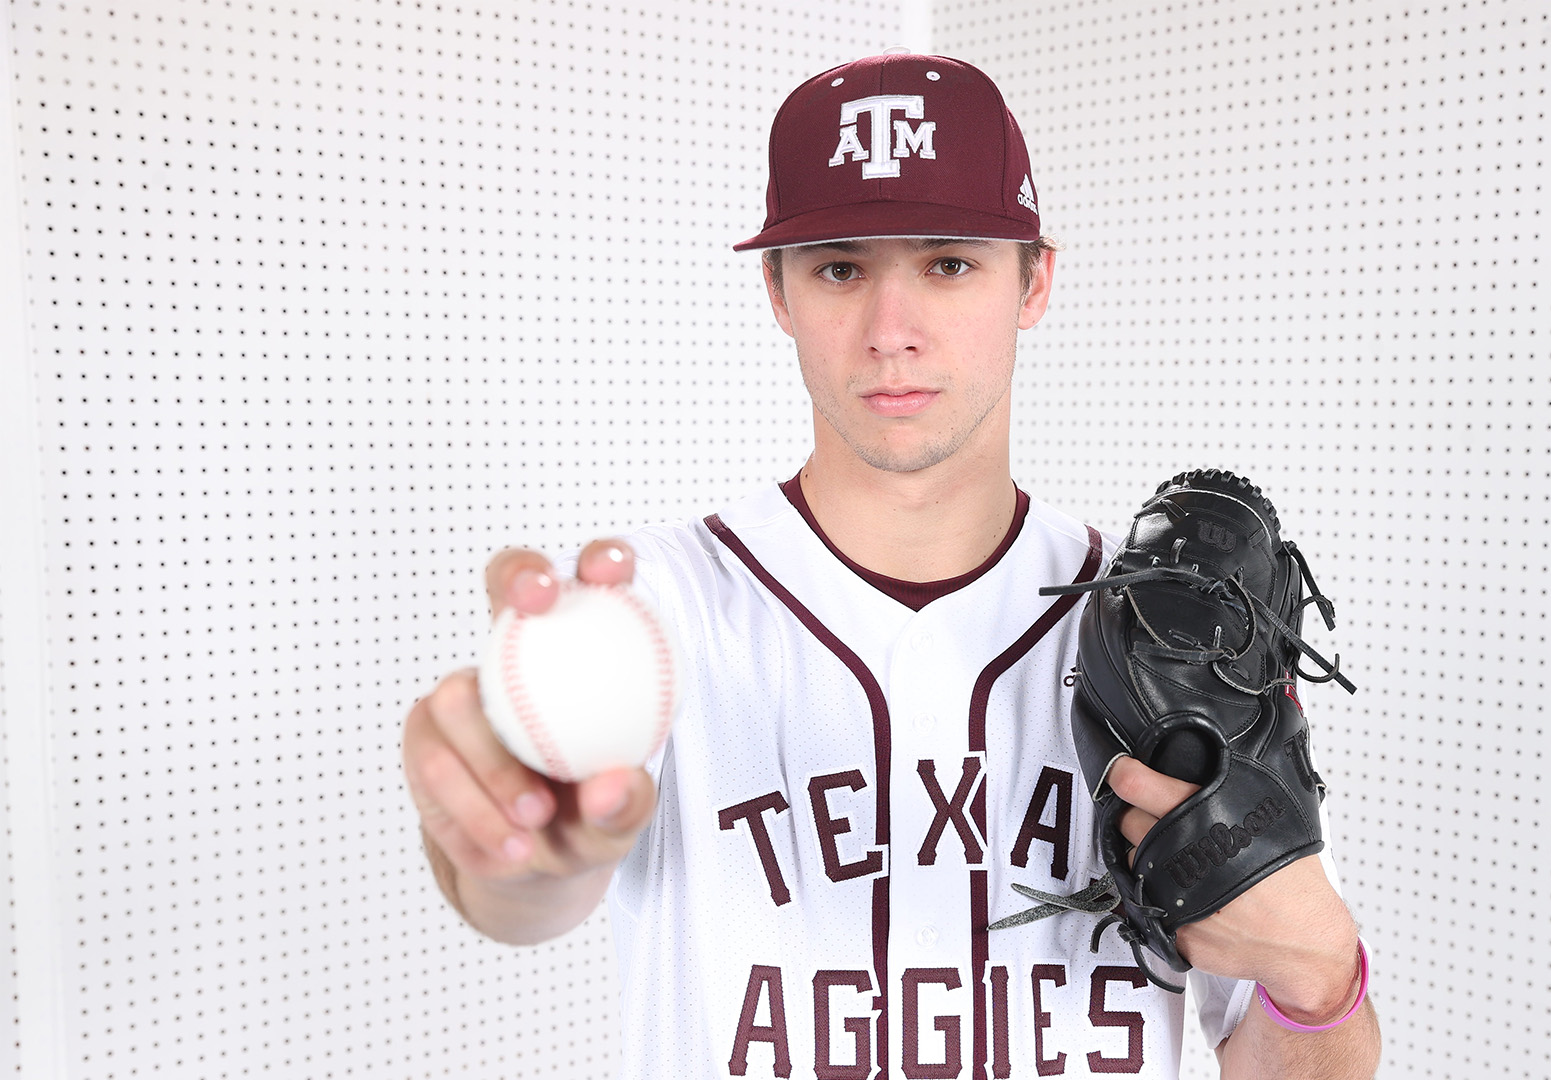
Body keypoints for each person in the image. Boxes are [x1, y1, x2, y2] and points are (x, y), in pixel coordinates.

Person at [401, 52, 1381, 1078]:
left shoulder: (1176, 637)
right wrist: (513, 853)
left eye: (948, 262)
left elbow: (1293, 1042)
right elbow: (526, 893)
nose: (890, 333)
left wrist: (1317, 974)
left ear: (1034, 279)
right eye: (839, 267)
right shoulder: (656, 616)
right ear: (778, 293)